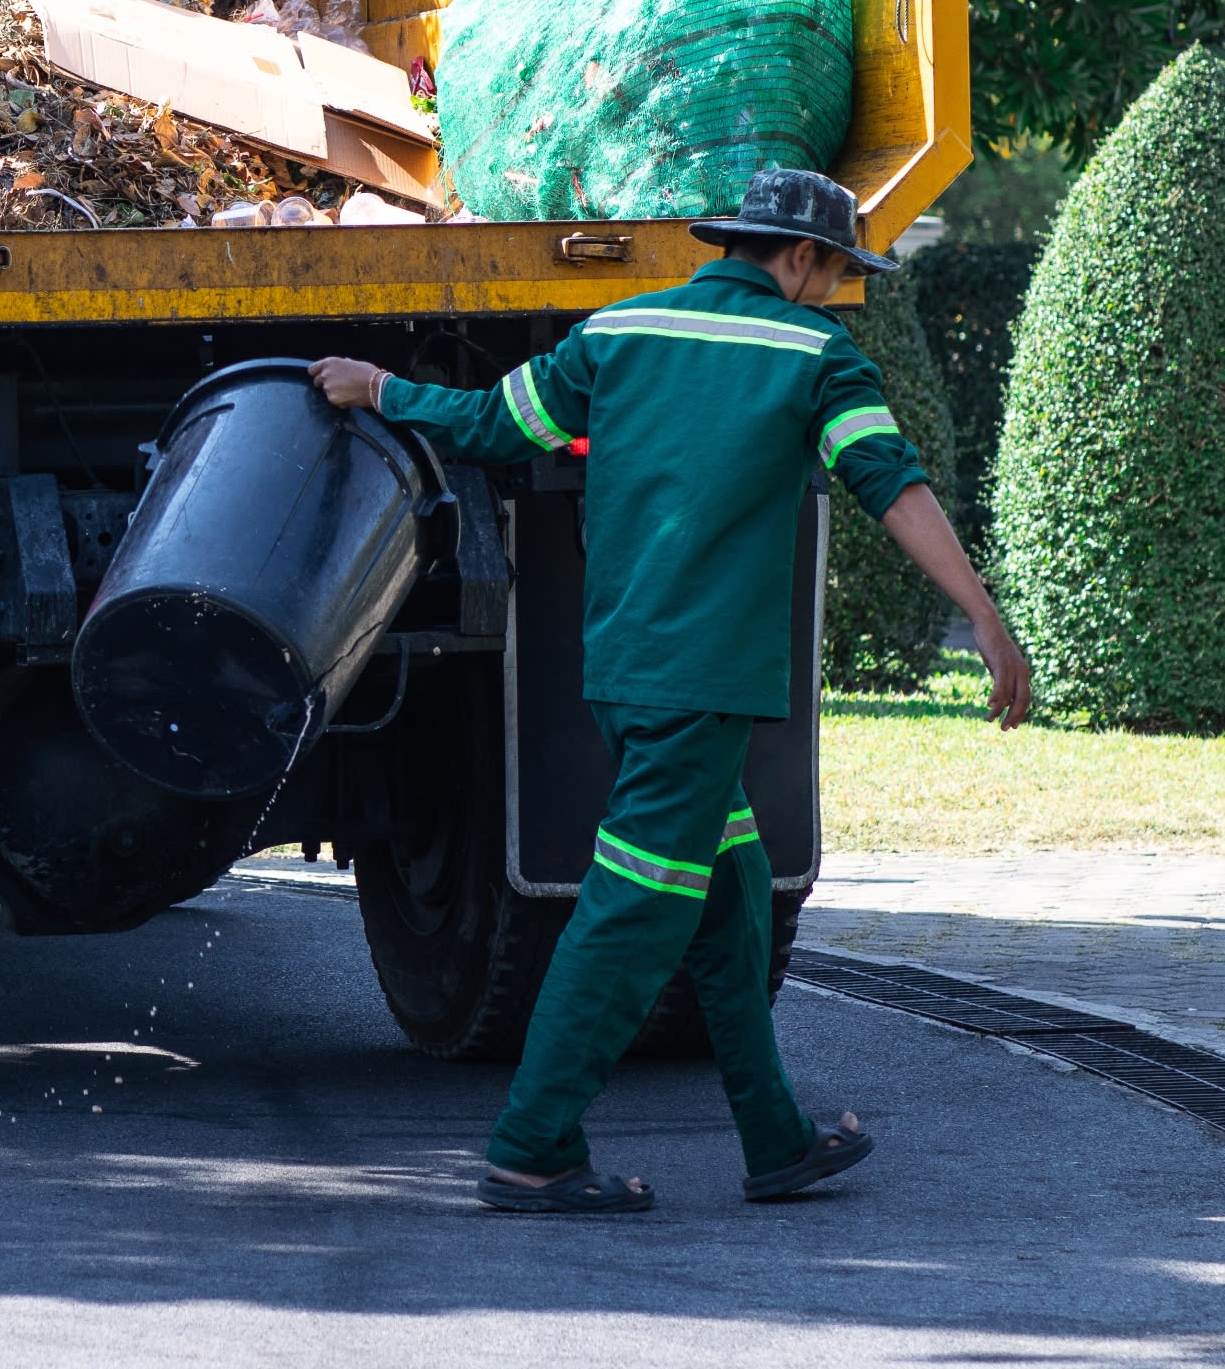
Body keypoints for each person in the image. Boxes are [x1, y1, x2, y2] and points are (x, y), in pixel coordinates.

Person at [308, 165, 1032, 1216]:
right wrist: (980, 610)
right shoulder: (812, 353)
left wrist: (384, 390)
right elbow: (889, 481)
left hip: (625, 671)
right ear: (797, 257)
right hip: (705, 685)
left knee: (733, 894)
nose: (831, 292)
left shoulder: (616, 332)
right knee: (633, 912)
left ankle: (776, 1139)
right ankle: (533, 1144)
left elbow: (497, 424)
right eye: (832, 272)